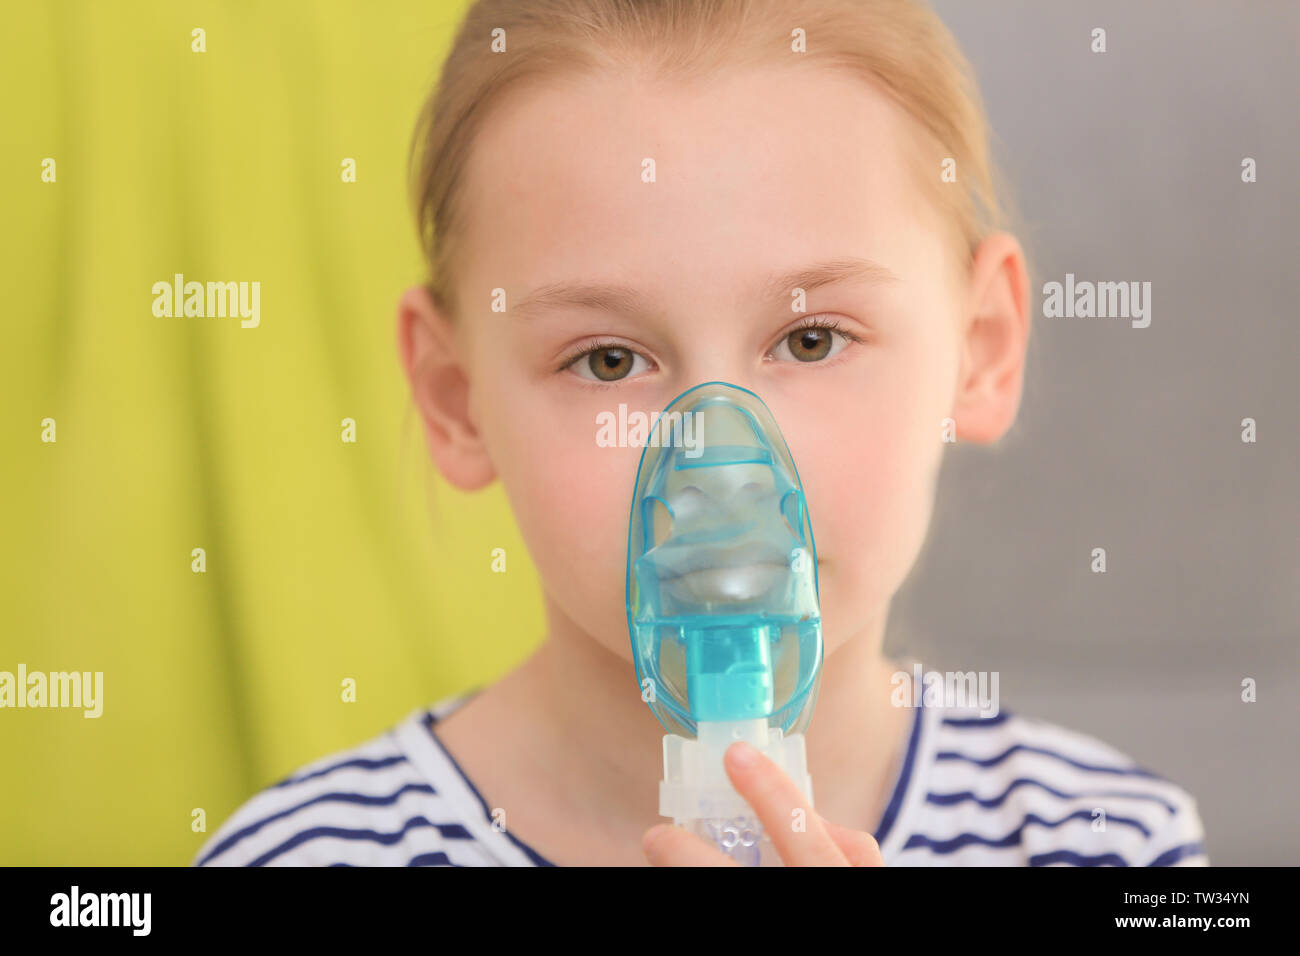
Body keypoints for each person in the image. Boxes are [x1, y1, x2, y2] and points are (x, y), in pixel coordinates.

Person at [196, 0, 1207, 867]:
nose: (719, 471)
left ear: (978, 346)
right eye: (606, 360)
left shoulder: (1110, 839)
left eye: (810, 338)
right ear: (456, 398)